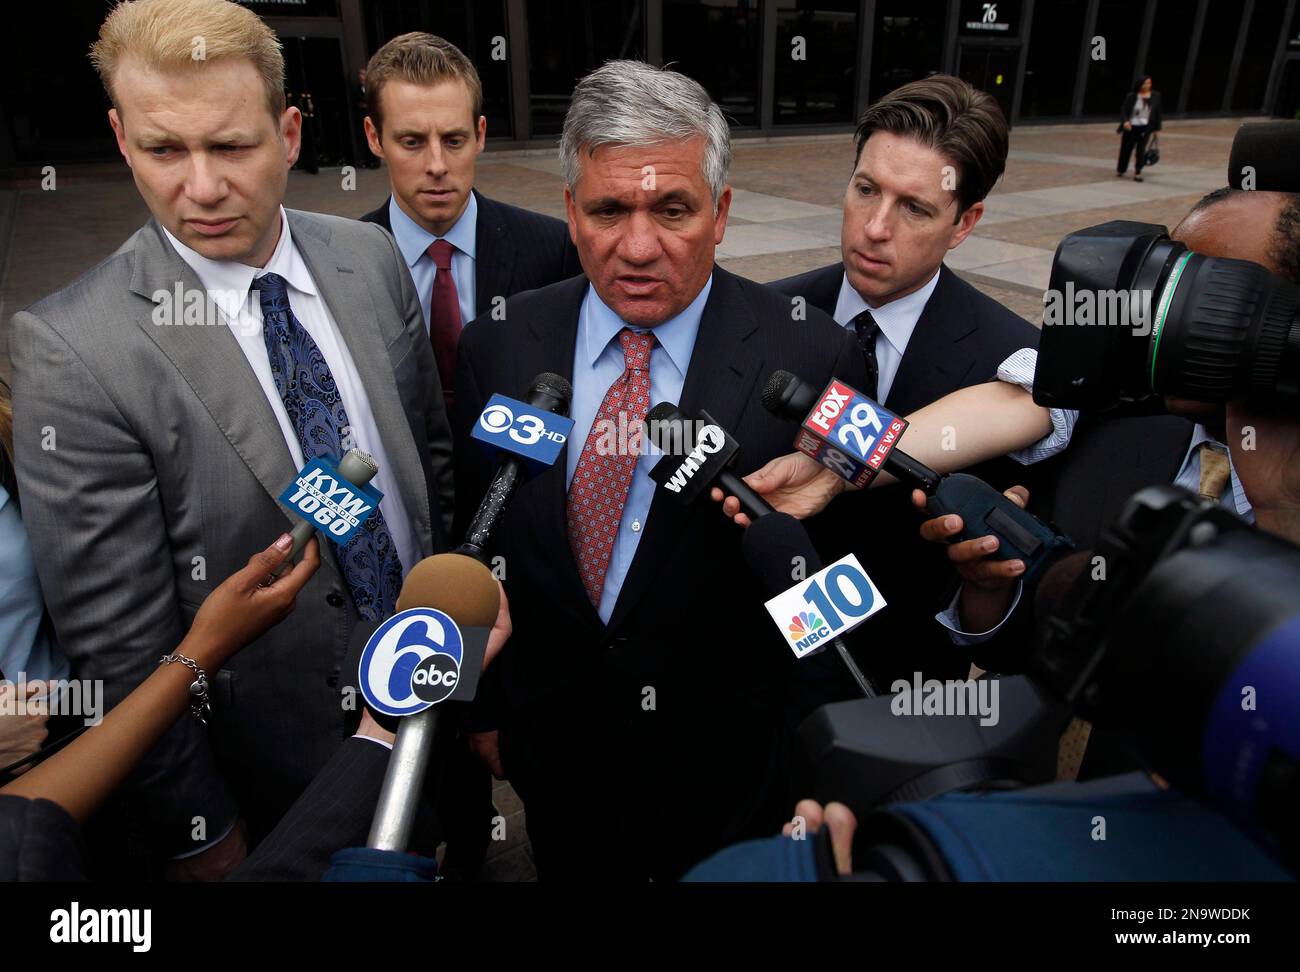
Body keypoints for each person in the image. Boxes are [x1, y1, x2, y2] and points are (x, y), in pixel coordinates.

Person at [8, 0, 452, 879]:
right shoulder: (72, 348)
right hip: (271, 781)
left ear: (289, 133)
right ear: (120, 137)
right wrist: (201, 828)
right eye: (164, 150)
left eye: (232, 147)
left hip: (432, 697)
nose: (201, 187)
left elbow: (428, 468)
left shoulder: (369, 261)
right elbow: (120, 643)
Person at [452, 59, 872, 881]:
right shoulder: (498, 344)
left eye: (671, 209)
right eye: (609, 209)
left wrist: (823, 749)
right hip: (558, 757)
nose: (637, 246)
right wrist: (489, 705)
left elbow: (828, 578)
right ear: (571, 211)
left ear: (720, 213)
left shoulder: (816, 351)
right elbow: (477, 538)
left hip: (737, 772)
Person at [914, 186, 1300, 777]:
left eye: (1214, 294)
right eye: (1169, 282)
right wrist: (991, 593)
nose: (1165, 320)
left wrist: (1281, 513)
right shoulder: (1113, 438)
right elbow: (1028, 652)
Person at [760, 75, 1063, 690]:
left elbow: (1007, 609)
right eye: (866, 189)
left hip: (901, 696)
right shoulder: (765, 315)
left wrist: (988, 589)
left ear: (964, 221)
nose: (874, 227)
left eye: (915, 208)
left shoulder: (1013, 359)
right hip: (748, 681)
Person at [359, 33, 582, 412]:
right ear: (374, 138)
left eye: (453, 140)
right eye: (412, 142)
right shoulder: (345, 264)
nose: (437, 165)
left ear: (480, 135)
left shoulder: (553, 248)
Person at [1117, 75, 1162, 183]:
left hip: (1146, 128)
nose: (1147, 85)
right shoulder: (1132, 96)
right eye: (1145, 83)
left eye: (1149, 83)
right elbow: (1124, 109)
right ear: (1140, 84)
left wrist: (1157, 129)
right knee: (1126, 149)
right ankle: (1121, 169)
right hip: (1131, 127)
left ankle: (1138, 172)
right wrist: (1125, 121)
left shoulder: (1155, 95)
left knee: (1141, 150)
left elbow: (1158, 112)